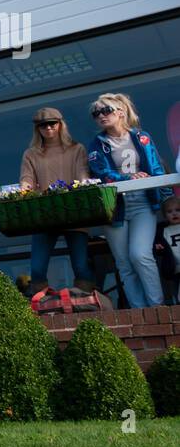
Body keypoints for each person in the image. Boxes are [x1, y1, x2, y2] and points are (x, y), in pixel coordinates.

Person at [85, 92, 173, 309]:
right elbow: (100, 173)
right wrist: (127, 178)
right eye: (96, 113)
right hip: (115, 208)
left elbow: (155, 168)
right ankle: (138, 309)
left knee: (140, 254)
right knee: (124, 263)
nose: (100, 116)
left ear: (121, 112)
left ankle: (157, 306)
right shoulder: (97, 143)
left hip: (144, 204)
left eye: (106, 110)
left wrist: (167, 196)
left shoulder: (141, 137)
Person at [18, 107, 95, 294]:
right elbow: (26, 179)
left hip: (74, 211)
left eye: (52, 123)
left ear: (61, 124)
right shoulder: (31, 153)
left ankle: (85, 304)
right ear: (37, 129)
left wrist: (82, 186)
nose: (48, 128)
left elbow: (83, 174)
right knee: (37, 269)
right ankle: (43, 303)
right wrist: (23, 191)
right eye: (42, 125)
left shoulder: (77, 148)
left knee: (81, 266)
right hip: (45, 214)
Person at [153, 195, 180, 304]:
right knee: (175, 289)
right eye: (170, 212)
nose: (174, 213)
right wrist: (158, 248)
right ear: (164, 215)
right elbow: (160, 249)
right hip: (175, 267)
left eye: (178, 210)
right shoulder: (162, 231)